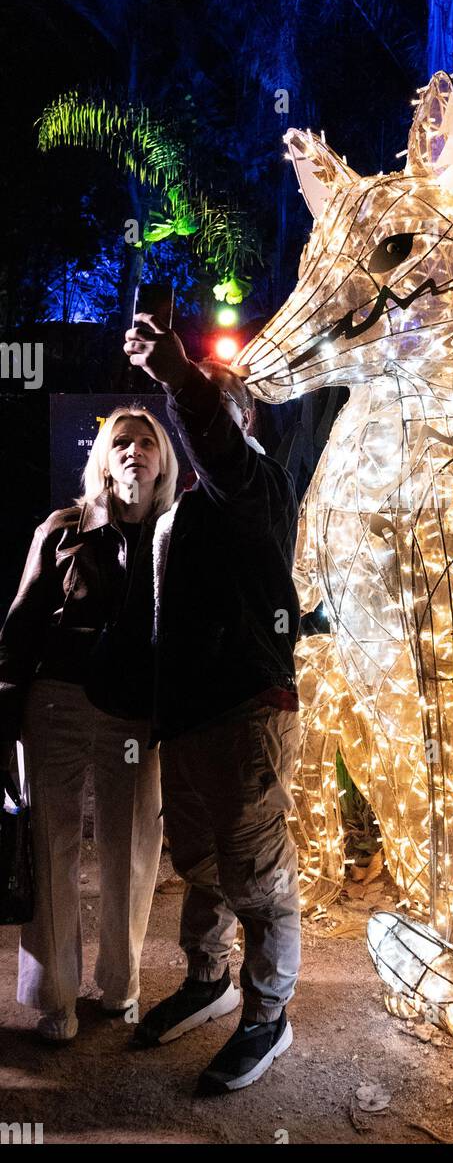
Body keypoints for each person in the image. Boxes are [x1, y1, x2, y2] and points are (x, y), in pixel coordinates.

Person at [123, 311, 302, 1095]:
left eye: (217, 398)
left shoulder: (253, 483)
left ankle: (268, 1015)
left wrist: (177, 380)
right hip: (190, 720)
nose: (204, 408)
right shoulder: (187, 509)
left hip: (245, 712)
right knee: (200, 866)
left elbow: (215, 444)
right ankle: (209, 979)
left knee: (258, 877)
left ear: (244, 416)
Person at [0, 406, 178, 1041]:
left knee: (131, 847)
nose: (134, 451)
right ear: (103, 457)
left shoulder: (176, 532)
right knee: (52, 846)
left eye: (147, 442)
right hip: (57, 703)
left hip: (133, 713)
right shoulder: (63, 528)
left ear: (163, 460)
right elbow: (20, 624)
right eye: (121, 441)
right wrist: (6, 709)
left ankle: (121, 984)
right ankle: (56, 999)